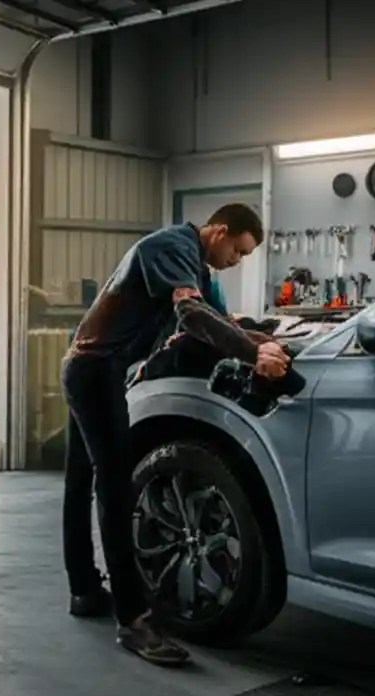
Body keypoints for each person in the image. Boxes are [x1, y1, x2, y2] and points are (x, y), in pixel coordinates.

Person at [60, 203, 290, 666]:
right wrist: (252, 354)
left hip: (95, 369)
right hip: (94, 370)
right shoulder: (168, 247)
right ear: (221, 231)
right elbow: (190, 314)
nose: (236, 261)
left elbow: (218, 321)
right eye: (238, 252)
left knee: (82, 481)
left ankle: (85, 591)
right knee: (116, 489)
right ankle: (134, 620)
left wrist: (266, 335)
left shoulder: (199, 269)